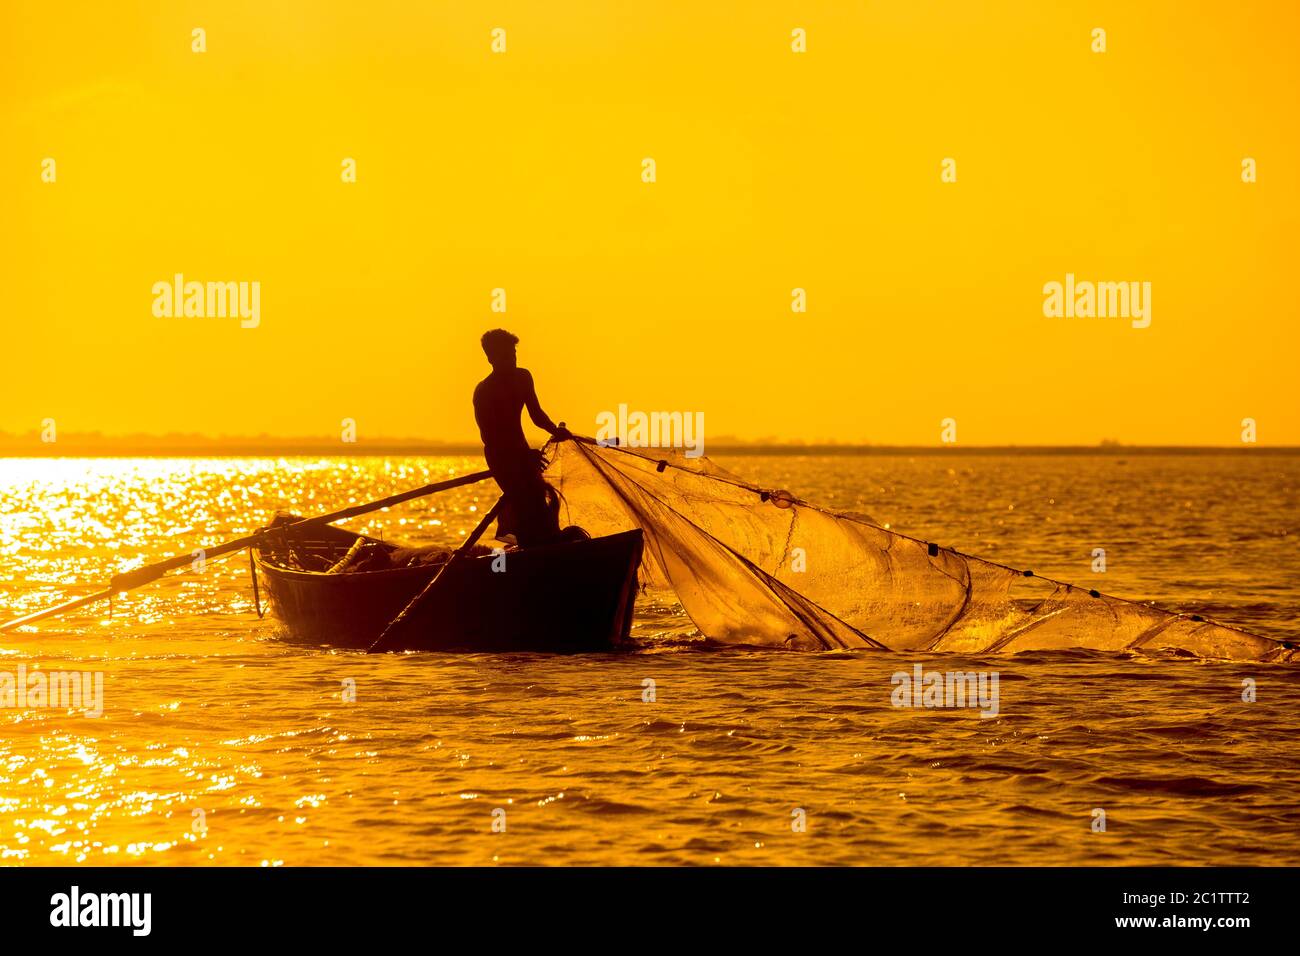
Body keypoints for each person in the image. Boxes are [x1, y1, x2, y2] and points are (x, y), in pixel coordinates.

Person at [473, 329, 571, 547]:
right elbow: (490, 437)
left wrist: (555, 431)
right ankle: (532, 551)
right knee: (526, 503)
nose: (512, 360)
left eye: (513, 354)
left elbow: (536, 414)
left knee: (538, 499)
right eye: (506, 356)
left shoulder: (523, 377)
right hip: (501, 458)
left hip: (522, 453)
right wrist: (523, 456)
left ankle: (544, 547)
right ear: (491, 358)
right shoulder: (484, 391)